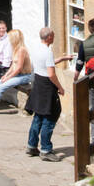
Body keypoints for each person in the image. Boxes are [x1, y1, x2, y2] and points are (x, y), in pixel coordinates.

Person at [25, 27, 65, 161]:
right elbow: (51, 74)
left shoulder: (37, 49)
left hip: (38, 84)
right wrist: (60, 87)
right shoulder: (48, 52)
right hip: (47, 87)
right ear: (48, 38)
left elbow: (44, 65)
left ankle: (31, 145)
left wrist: (62, 58)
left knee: (38, 117)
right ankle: (46, 150)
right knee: (50, 116)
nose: (54, 37)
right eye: (53, 35)